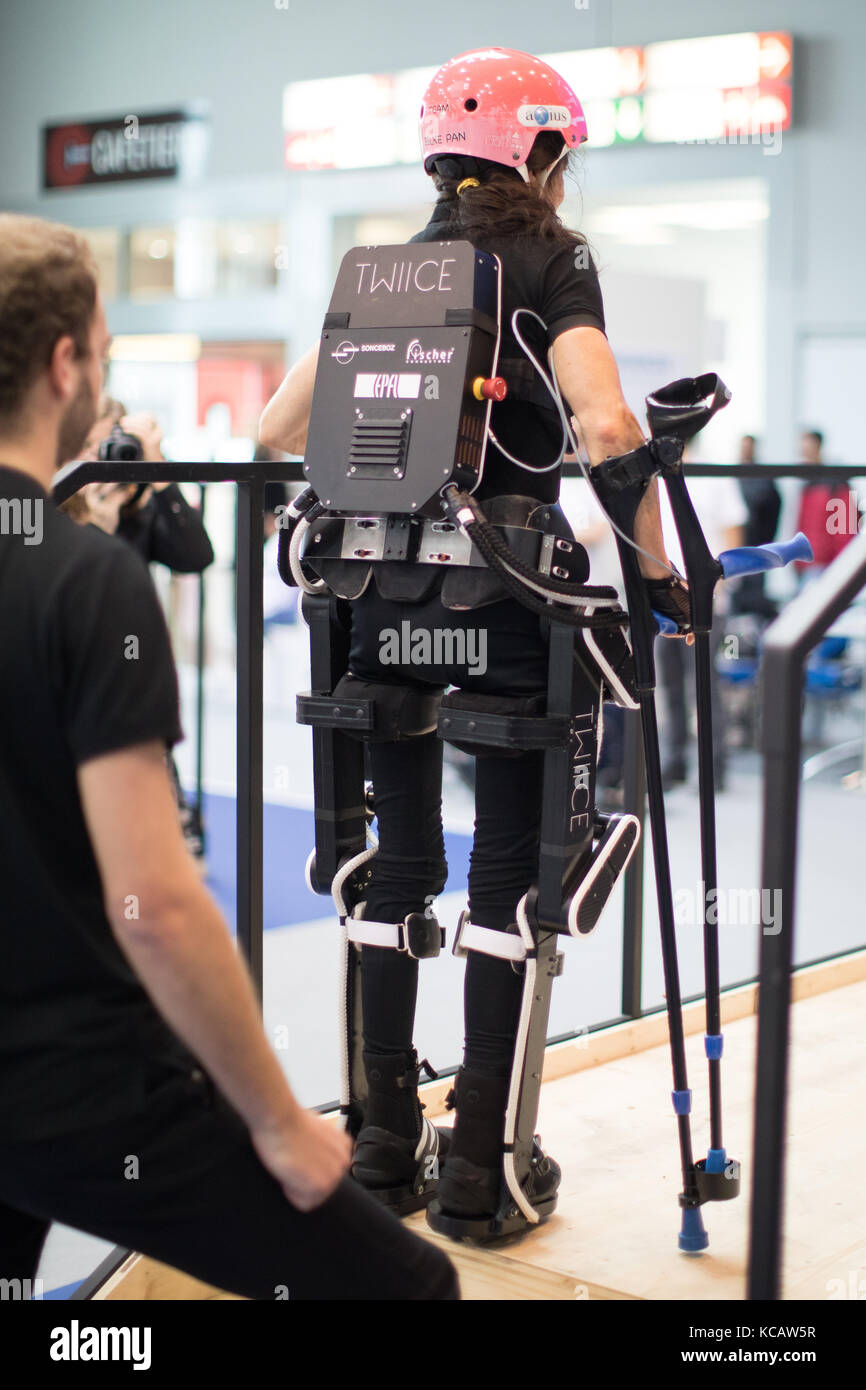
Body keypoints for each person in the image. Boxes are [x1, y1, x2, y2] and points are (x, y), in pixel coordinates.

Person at [260, 47, 689, 1230]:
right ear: (539, 150)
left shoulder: (386, 268)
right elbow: (603, 421)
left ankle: (382, 1151)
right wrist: (661, 575)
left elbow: (272, 422)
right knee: (506, 870)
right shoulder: (552, 254)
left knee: (395, 867)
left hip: (370, 606)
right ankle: (482, 1170)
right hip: (497, 606)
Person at [0, 213, 457, 1301]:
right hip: (78, 1083)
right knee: (411, 1290)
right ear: (66, 364)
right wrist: (280, 1118)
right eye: (102, 349)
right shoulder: (80, 581)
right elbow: (155, 904)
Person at [654, 446, 746, 791]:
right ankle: (675, 763)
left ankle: (712, 768)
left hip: (706, 601)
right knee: (672, 687)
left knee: (705, 688)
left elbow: (733, 533)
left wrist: (714, 586)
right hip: (667, 600)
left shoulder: (714, 472)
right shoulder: (656, 473)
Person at [794, 429, 860, 578]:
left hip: (828, 566)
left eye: (808, 451)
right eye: (803, 452)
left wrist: (843, 565)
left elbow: (846, 529)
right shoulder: (806, 486)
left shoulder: (837, 483)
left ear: (818, 448)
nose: (804, 457)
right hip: (808, 565)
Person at [731, 433, 781, 620]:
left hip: (756, 547)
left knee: (754, 596)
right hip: (735, 548)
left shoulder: (763, 478)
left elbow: (775, 506)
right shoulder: (731, 475)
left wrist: (766, 540)